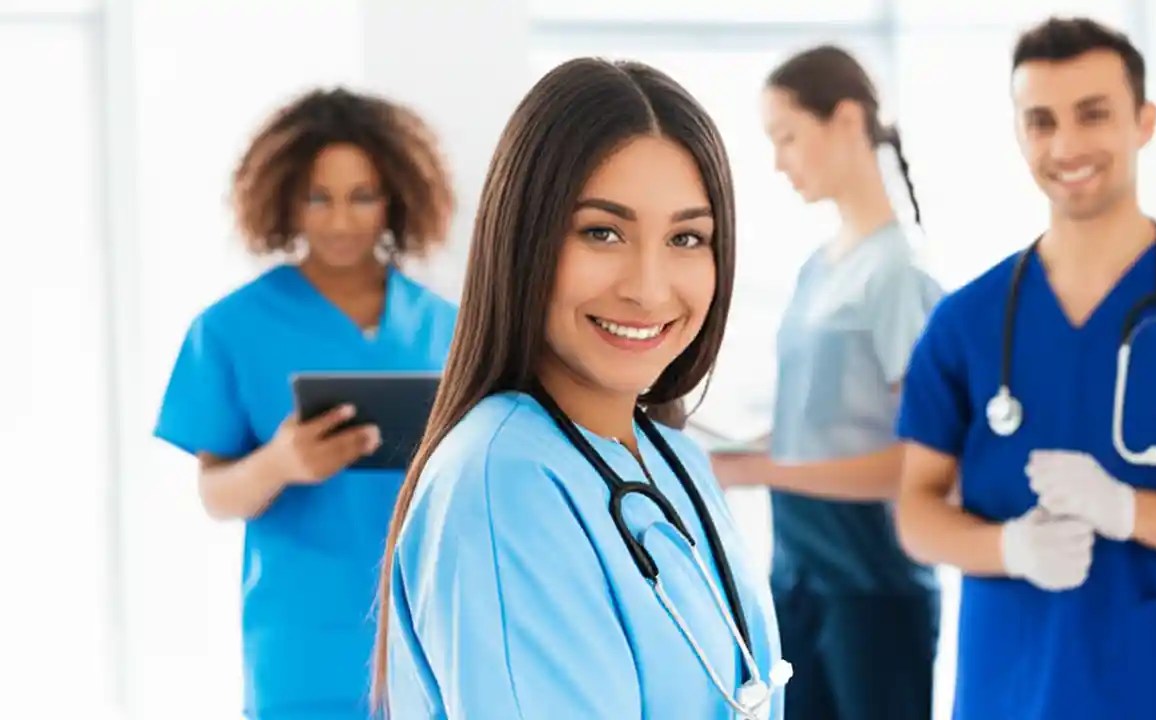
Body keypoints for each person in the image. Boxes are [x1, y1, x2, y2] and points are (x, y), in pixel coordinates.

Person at [370, 58, 790, 720]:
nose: (649, 287)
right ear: (525, 237)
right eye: (603, 232)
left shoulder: (679, 464)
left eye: (686, 237)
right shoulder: (501, 481)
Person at [894, 17, 1156, 720]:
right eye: (1041, 121)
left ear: (1145, 121)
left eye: (1093, 114)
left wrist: (1130, 511)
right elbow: (916, 512)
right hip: (1000, 700)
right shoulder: (968, 320)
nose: (1066, 145)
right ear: (1019, 134)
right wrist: (1007, 547)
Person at [153, 87, 458, 720]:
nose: (341, 221)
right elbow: (214, 495)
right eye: (318, 197)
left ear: (396, 197)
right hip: (302, 647)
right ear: (285, 198)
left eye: (362, 196)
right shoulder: (231, 328)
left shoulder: (449, 327)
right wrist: (279, 463)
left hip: (431, 636)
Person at [707, 45, 942, 720]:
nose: (779, 160)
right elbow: (814, 428)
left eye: (787, 136)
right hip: (800, 578)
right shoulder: (818, 268)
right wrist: (724, 455)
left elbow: (919, 461)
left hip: (873, 591)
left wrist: (761, 470)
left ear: (845, 121)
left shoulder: (898, 273)